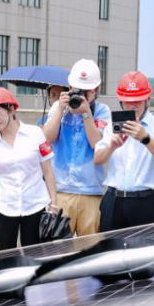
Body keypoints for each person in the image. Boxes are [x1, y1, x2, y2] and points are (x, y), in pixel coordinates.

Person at [94, 71, 154, 232]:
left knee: (146, 254)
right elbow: (97, 159)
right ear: (120, 101)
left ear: (147, 99)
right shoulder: (112, 125)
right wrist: (111, 147)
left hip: (144, 201)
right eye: (127, 101)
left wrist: (145, 138)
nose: (132, 106)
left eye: (138, 101)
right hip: (114, 199)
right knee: (108, 253)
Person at [0, 88, 58, 250]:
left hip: (35, 206)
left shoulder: (36, 134)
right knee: (5, 261)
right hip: (5, 209)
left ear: (11, 109)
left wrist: (54, 203)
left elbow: (48, 171)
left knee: (35, 259)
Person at [41, 59, 111, 236]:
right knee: (57, 252)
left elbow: (98, 144)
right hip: (60, 191)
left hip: (91, 192)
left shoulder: (102, 111)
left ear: (95, 91)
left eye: (85, 92)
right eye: (74, 90)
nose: (78, 96)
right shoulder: (59, 107)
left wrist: (86, 113)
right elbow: (47, 139)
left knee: (88, 253)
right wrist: (60, 111)